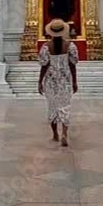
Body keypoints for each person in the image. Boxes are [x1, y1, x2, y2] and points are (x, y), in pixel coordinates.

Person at [38, 18, 78, 147]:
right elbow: (73, 65)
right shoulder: (70, 46)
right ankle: (64, 133)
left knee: (52, 107)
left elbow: (44, 65)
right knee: (65, 105)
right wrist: (74, 81)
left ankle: (55, 134)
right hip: (65, 79)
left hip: (51, 80)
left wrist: (40, 81)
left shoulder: (46, 47)